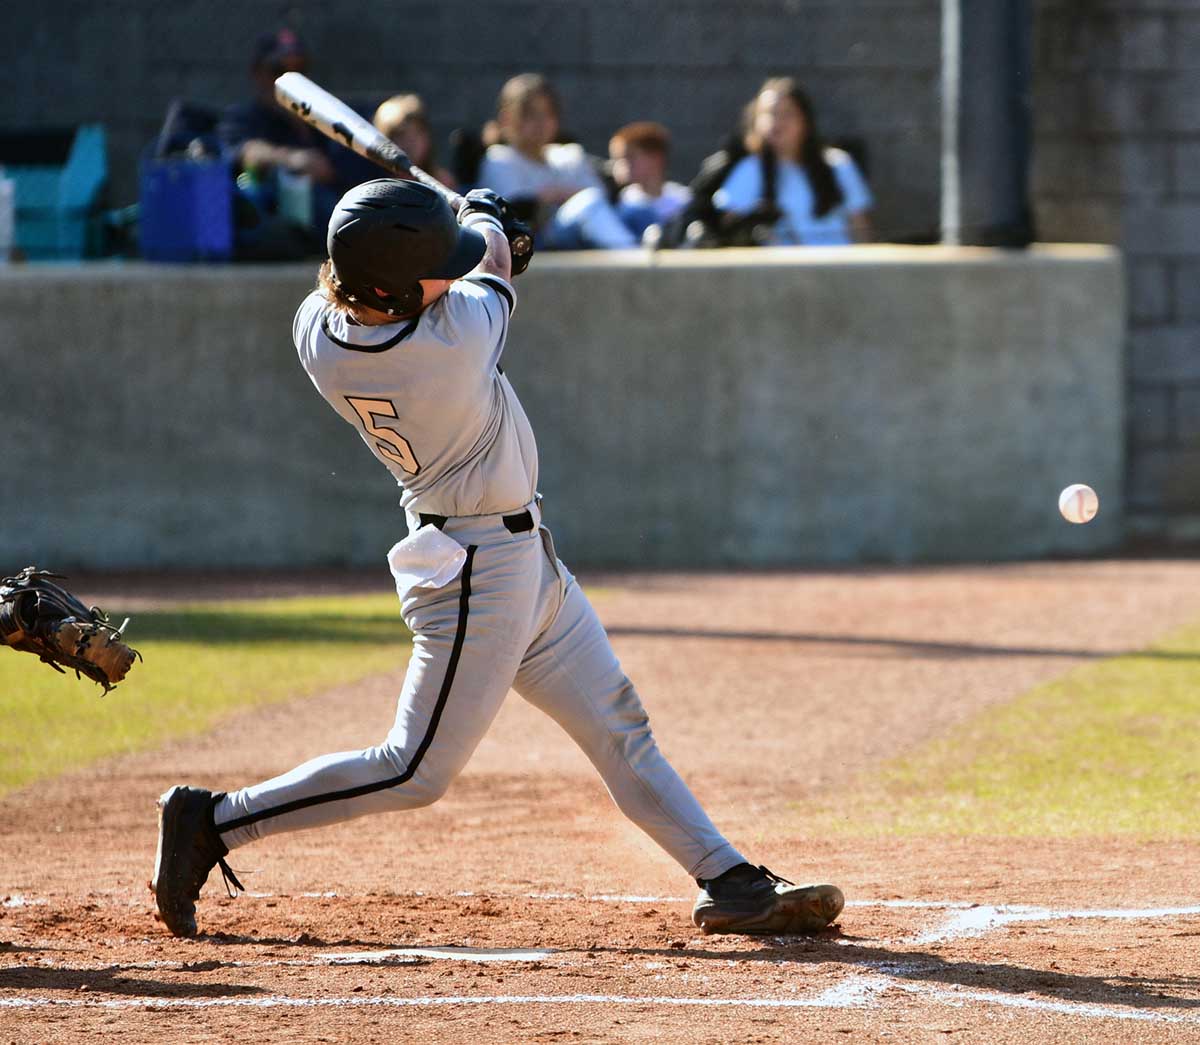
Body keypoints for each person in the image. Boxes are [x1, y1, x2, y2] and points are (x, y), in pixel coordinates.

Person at [150, 178, 844, 941]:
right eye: (427, 271)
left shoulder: (317, 328)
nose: (443, 276)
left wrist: (464, 233)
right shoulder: (449, 343)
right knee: (414, 769)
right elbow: (491, 266)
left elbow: (455, 268)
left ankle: (728, 876)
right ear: (392, 288)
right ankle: (212, 821)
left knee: (617, 722)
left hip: (516, 554)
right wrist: (485, 215)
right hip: (475, 567)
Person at [217, 29, 374, 258]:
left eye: (299, 71)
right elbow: (243, 152)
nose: (290, 80)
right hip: (275, 217)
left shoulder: (321, 119)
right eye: (279, 71)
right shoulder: (245, 117)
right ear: (258, 73)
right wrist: (292, 160)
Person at [477, 73, 636, 249]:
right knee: (588, 203)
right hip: (535, 244)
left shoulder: (570, 154)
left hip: (586, 241)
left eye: (548, 113)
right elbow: (516, 212)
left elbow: (600, 198)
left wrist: (554, 194)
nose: (541, 123)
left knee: (638, 205)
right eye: (531, 114)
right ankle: (632, 254)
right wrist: (558, 195)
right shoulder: (498, 159)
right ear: (507, 118)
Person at [710, 78, 873, 246]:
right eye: (769, 113)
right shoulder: (750, 169)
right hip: (780, 270)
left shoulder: (838, 164)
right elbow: (729, 227)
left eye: (786, 113)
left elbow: (860, 228)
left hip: (838, 266)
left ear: (805, 120)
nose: (777, 122)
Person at [608, 122, 691, 244]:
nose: (621, 166)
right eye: (617, 159)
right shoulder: (621, 201)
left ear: (656, 158)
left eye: (630, 158)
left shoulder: (682, 198)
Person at [373, 94, 456, 190]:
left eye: (417, 133)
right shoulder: (372, 185)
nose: (410, 144)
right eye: (401, 135)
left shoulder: (443, 183)